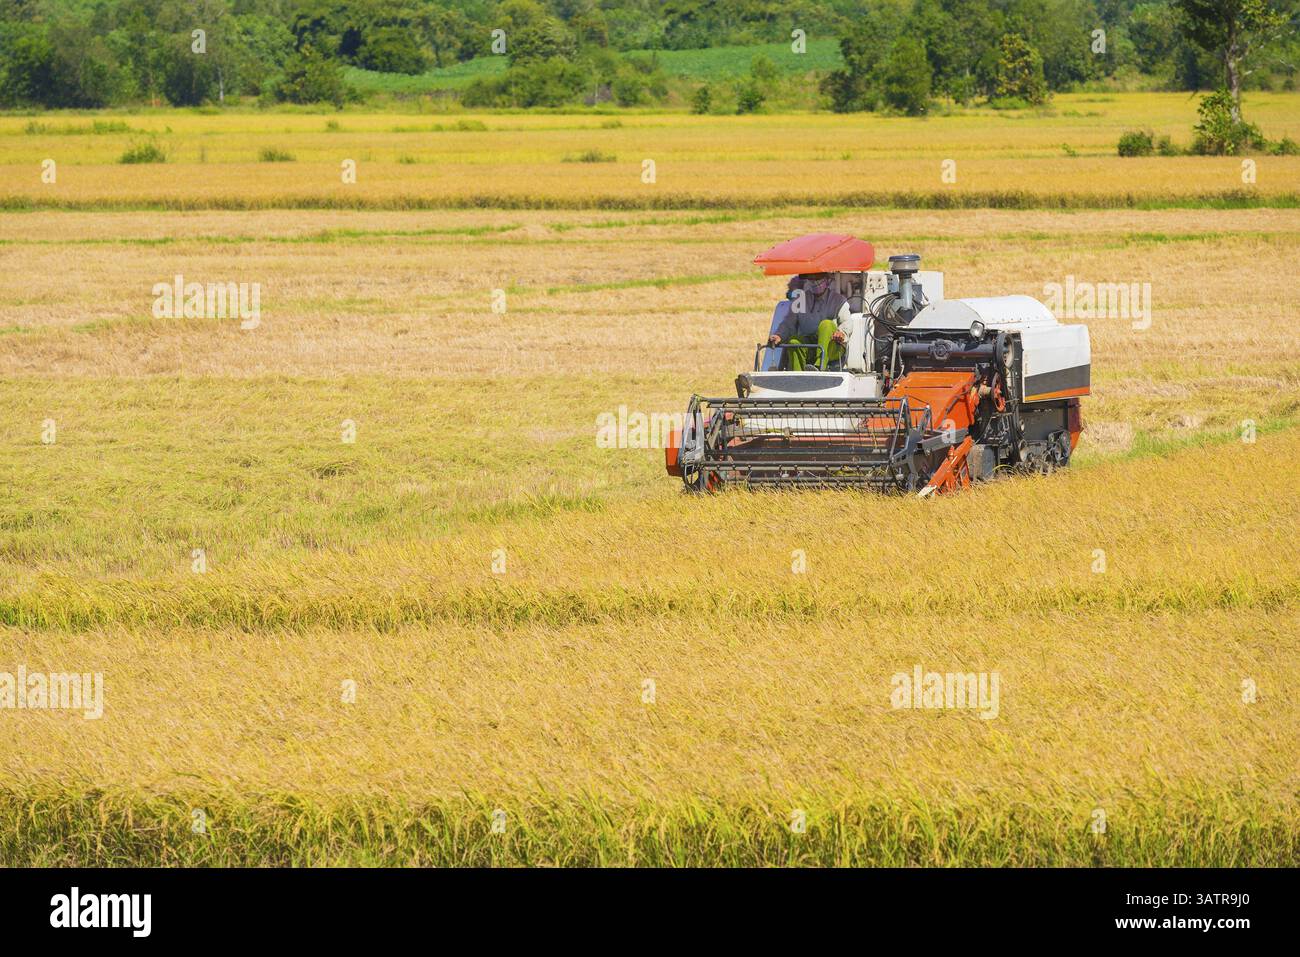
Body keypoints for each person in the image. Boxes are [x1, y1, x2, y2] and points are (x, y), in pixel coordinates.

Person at [767, 273, 850, 371]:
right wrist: (779, 335)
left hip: (832, 348)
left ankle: (820, 367)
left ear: (827, 279)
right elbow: (788, 323)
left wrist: (842, 333)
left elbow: (847, 322)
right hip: (809, 346)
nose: (815, 281)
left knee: (826, 324)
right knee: (794, 341)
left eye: (818, 278)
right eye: (811, 278)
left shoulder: (838, 300)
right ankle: (796, 377)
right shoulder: (800, 300)